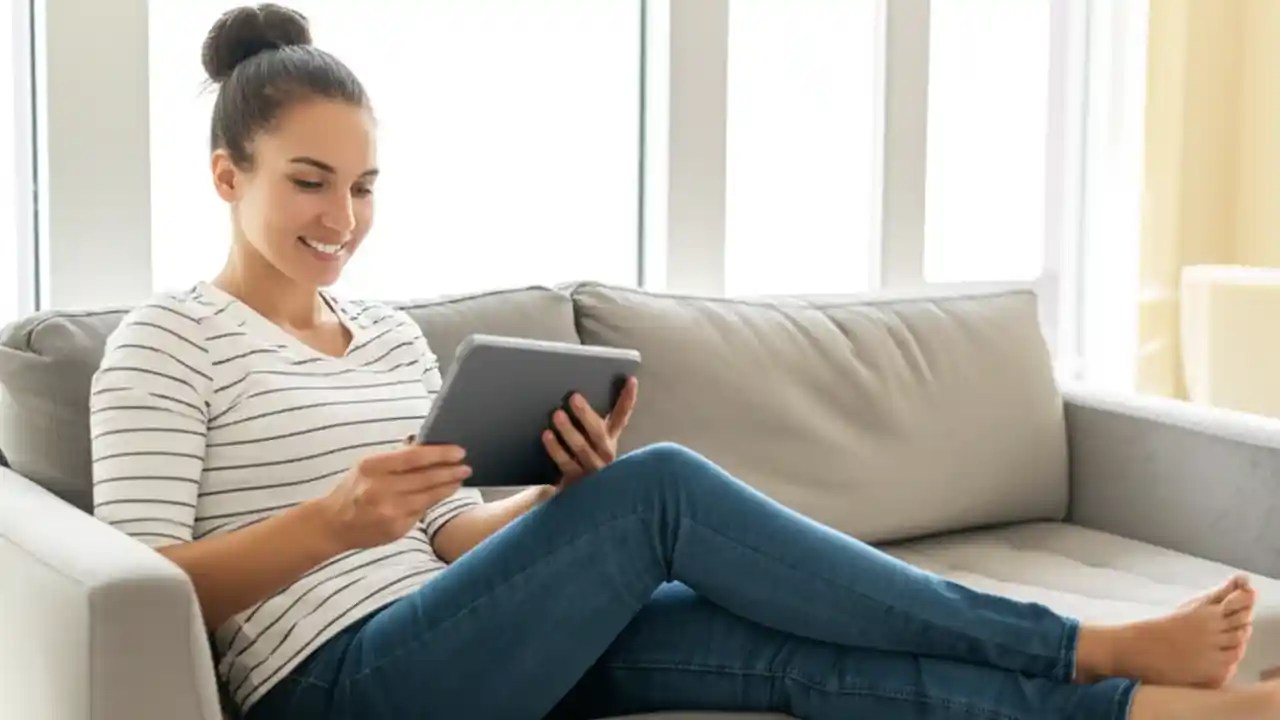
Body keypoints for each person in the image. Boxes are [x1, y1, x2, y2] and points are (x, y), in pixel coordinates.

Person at [89, 5, 1278, 719]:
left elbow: (447, 537)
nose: (340, 217)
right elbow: (139, 599)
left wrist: (558, 505)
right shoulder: (164, 345)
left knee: (778, 651)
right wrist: (327, 525)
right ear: (225, 175)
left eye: (361, 187)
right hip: (337, 688)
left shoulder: (391, 336)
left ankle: (1151, 710)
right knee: (662, 488)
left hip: (471, 642)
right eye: (308, 181)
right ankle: (1078, 642)